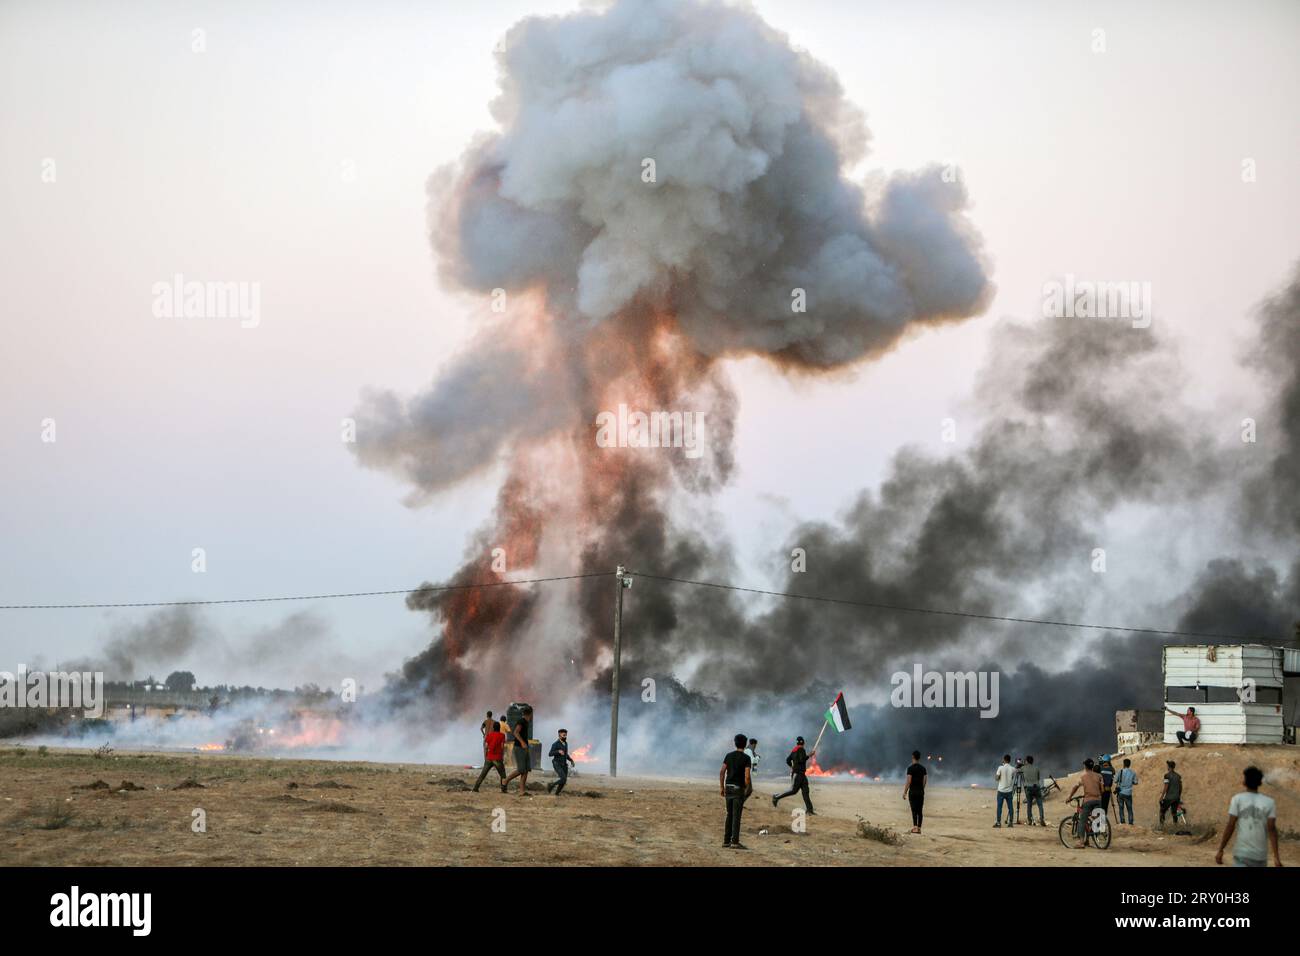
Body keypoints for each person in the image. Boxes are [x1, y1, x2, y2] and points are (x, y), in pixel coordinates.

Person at [1215, 766, 1283, 867]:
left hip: (1241, 853)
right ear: (1260, 783)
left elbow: (1230, 825)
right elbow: (1271, 830)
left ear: (1244, 782)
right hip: (1260, 856)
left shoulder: (1237, 799)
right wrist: (1276, 857)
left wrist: (1221, 849)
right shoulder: (1269, 802)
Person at [720, 733, 752, 849]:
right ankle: (734, 842)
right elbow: (747, 776)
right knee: (736, 816)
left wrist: (722, 787)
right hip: (738, 789)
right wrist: (746, 788)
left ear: (735, 743)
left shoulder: (728, 756)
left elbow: (722, 772)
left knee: (729, 814)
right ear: (744, 744)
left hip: (728, 787)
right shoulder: (746, 758)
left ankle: (726, 841)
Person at [772, 735, 815, 815]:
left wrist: (792, 766)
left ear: (797, 743)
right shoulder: (801, 749)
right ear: (803, 743)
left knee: (806, 791)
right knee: (793, 790)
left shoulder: (794, 750)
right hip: (798, 774)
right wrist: (809, 755)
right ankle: (776, 797)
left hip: (801, 774)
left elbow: (788, 760)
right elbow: (802, 760)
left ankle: (809, 810)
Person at [1067, 758, 1104, 848]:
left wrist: (1070, 797)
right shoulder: (1099, 776)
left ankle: (1081, 842)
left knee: (1082, 821)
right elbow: (1102, 790)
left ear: (1085, 766)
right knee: (1095, 817)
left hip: (1088, 801)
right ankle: (1088, 839)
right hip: (1098, 800)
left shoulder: (1083, 777)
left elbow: (1075, 787)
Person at [502, 706, 533, 797]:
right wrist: (523, 743)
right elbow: (515, 732)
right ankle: (505, 781)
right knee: (521, 769)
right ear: (530, 714)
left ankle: (522, 791)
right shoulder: (521, 721)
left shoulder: (526, 722)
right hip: (519, 747)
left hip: (524, 748)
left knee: (526, 770)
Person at [472, 720, 507, 792]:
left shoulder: (489, 735)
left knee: (483, 774)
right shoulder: (502, 735)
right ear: (499, 728)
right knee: (503, 775)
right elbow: (502, 746)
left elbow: (486, 746)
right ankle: (503, 789)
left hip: (489, 758)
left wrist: (486, 755)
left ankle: (475, 788)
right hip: (497, 758)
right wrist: (502, 755)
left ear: (493, 728)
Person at [545, 728, 576, 795]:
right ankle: (551, 785)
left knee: (564, 781)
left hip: (564, 764)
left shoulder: (565, 743)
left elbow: (566, 754)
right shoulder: (555, 744)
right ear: (559, 735)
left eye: (566, 735)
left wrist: (571, 760)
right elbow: (550, 754)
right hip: (557, 763)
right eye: (564, 735)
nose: (565, 737)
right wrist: (558, 751)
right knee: (563, 778)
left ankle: (557, 793)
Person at [903, 750, 926, 833]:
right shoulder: (923, 768)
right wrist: (921, 789)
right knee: (920, 810)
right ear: (919, 758)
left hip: (912, 792)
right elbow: (924, 781)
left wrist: (905, 792)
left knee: (914, 810)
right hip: (920, 792)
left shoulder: (910, 768)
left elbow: (909, 781)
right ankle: (919, 828)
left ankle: (915, 827)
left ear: (913, 756)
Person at [1021, 755, 1045, 826]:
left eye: (1025, 760)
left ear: (1027, 761)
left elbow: (1016, 771)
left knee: (1029, 805)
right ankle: (1041, 819)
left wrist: (1020, 765)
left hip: (1028, 788)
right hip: (1037, 787)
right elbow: (1038, 778)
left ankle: (1029, 820)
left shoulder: (1023, 768)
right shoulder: (1036, 768)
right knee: (1040, 805)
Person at [1159, 759, 1182, 827]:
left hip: (1169, 797)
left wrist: (1162, 797)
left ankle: (1161, 826)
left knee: (1162, 811)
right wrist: (1178, 796)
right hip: (1176, 797)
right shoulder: (1178, 776)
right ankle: (1175, 826)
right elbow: (1181, 787)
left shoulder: (1167, 775)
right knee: (1174, 813)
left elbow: (1166, 786)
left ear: (1169, 767)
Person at [993, 754, 1015, 827]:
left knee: (999, 807)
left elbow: (996, 778)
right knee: (1010, 807)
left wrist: (999, 777)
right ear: (1009, 760)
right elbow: (1011, 778)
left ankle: (998, 823)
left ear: (1004, 760)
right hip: (1009, 791)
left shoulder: (1000, 767)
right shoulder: (1013, 769)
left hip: (1001, 791)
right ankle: (1011, 822)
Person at [1115, 758, 1138, 825]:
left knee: (1121, 808)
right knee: (1129, 809)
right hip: (1128, 793)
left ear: (1124, 764)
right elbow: (1136, 782)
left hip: (1121, 793)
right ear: (1129, 764)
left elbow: (1115, 780)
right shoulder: (1133, 772)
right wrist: (1131, 782)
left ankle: (1122, 822)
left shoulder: (1120, 771)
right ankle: (1130, 822)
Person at [1099, 756, 1116, 821]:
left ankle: (1097, 824)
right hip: (1107, 790)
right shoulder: (1112, 769)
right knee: (1105, 807)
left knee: (1099, 807)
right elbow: (1112, 777)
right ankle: (1103, 825)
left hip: (1100, 790)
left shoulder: (1100, 768)